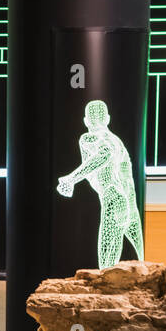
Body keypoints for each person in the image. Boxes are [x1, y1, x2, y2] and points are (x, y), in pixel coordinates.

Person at [56, 100, 144, 268]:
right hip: (127, 205)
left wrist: (71, 178)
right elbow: (128, 183)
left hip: (112, 199)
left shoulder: (89, 137)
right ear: (108, 119)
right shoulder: (118, 142)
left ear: (86, 121)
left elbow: (105, 154)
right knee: (125, 263)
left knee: (106, 269)